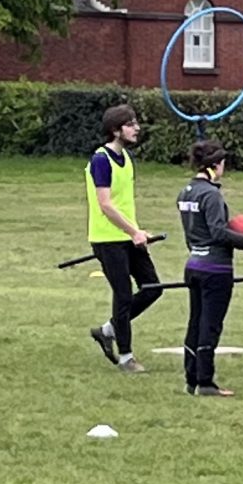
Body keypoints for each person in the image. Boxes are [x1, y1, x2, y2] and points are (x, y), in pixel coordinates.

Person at [175, 140, 243, 397]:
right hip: (216, 269)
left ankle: (191, 378)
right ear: (215, 165)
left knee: (195, 323)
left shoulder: (185, 192)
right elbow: (219, 233)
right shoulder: (210, 195)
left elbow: (192, 234)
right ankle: (206, 382)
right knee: (210, 325)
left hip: (194, 264)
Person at [85, 104, 164, 374]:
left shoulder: (127, 158)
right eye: (130, 124)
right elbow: (105, 204)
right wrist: (133, 232)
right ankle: (126, 357)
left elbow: (123, 203)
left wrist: (136, 231)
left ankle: (108, 330)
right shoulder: (100, 160)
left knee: (153, 288)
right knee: (123, 295)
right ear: (115, 130)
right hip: (107, 240)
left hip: (128, 237)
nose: (137, 128)